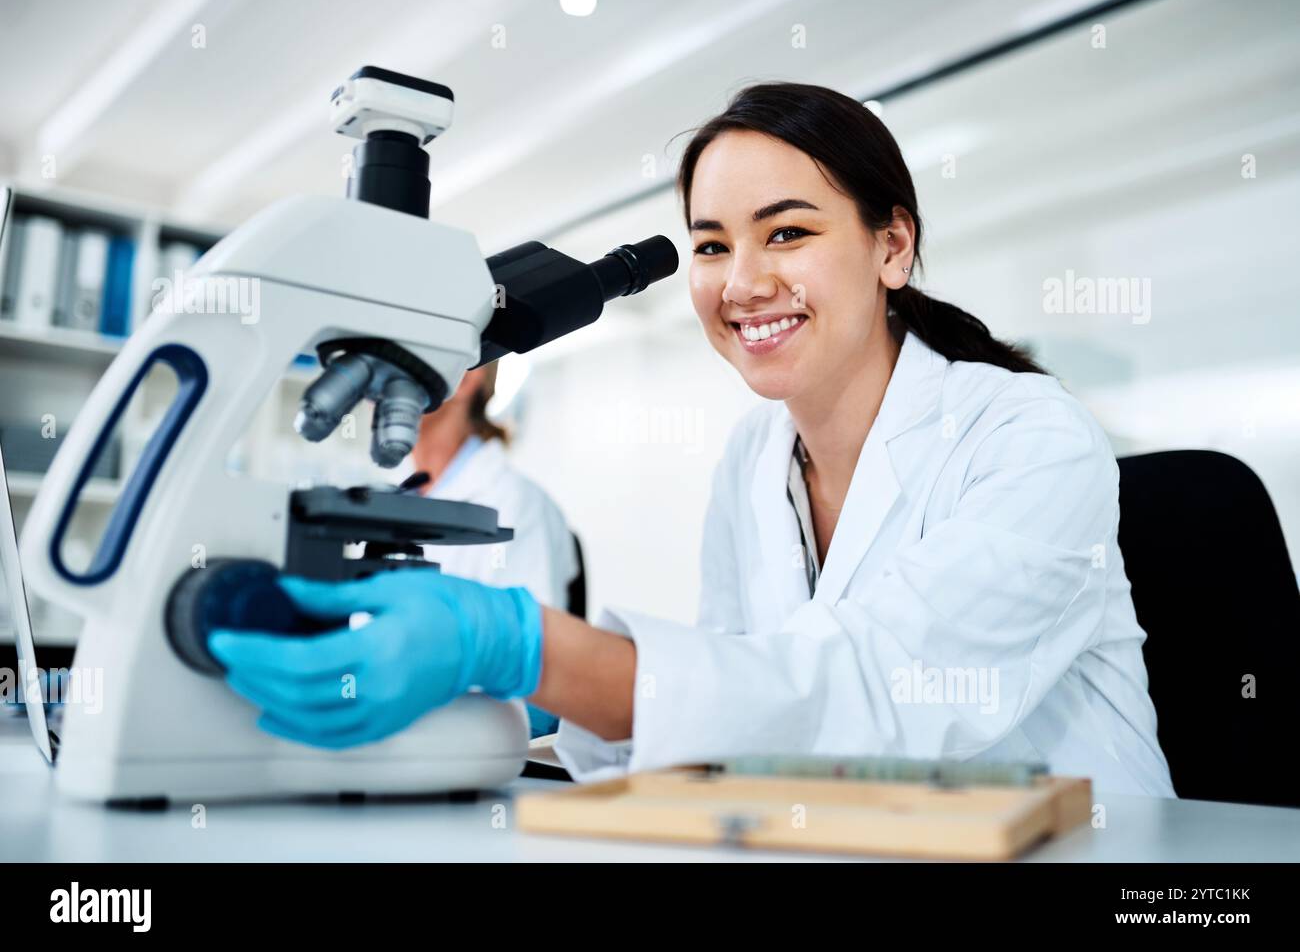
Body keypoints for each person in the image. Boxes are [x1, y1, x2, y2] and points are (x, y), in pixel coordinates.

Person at [209, 82, 1174, 797]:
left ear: (893, 246)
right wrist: (538, 706)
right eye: (711, 245)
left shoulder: (1031, 437)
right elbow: (738, 707)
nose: (740, 282)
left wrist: (518, 643)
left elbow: (882, 694)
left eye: (786, 233)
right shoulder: (755, 459)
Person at [397, 361, 577, 738]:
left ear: (463, 379)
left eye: (397, 365)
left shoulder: (517, 504)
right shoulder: (400, 495)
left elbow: (532, 688)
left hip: (463, 750)